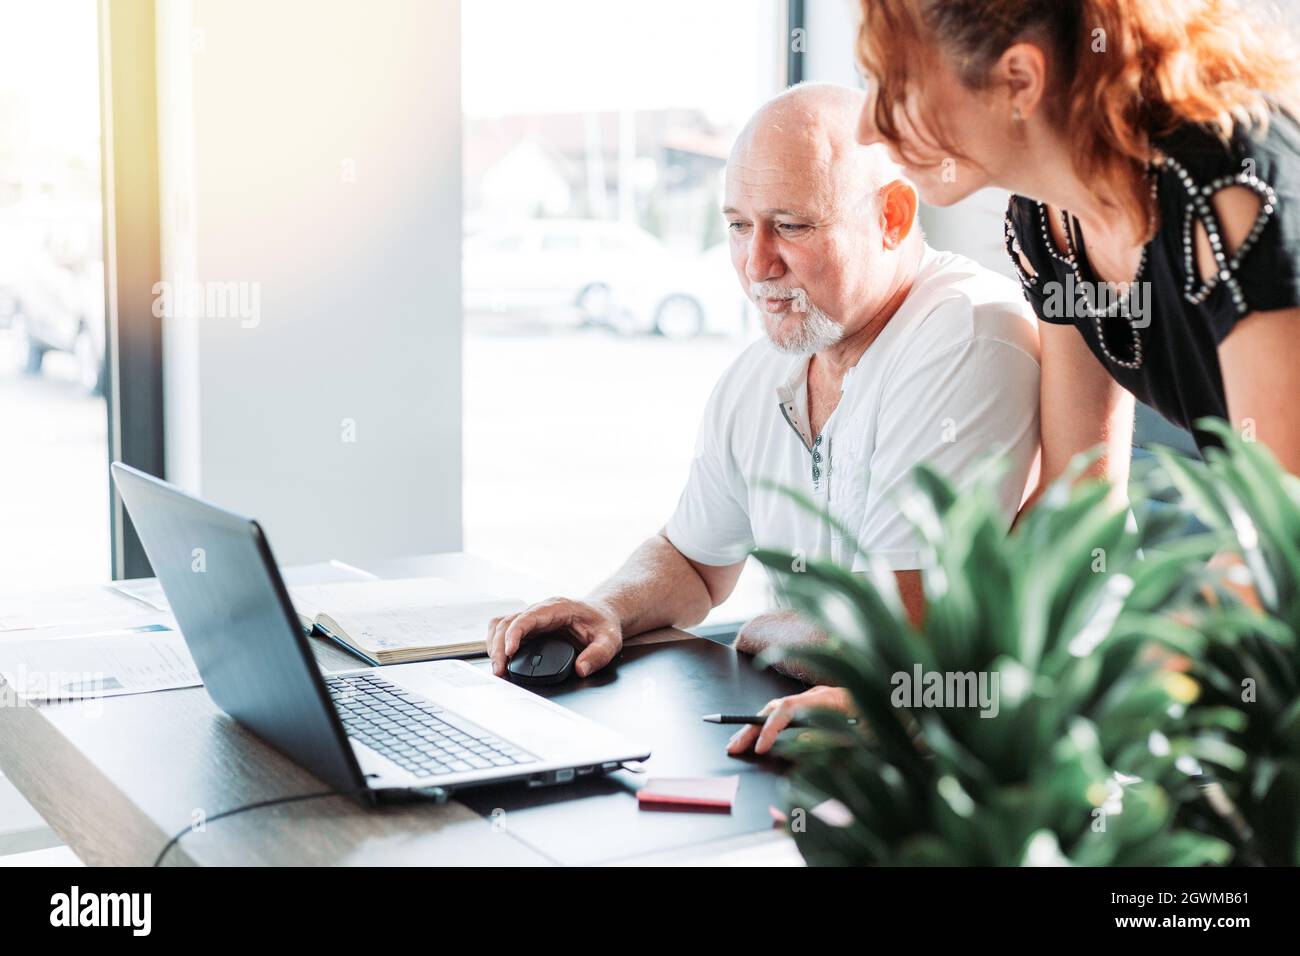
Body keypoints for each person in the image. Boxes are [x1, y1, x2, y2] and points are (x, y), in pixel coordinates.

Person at [485, 83, 1041, 755]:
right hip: (834, 746)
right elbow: (694, 561)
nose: (756, 264)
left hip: (973, 773)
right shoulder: (763, 373)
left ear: (892, 217)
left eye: (792, 225)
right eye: (739, 225)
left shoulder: (965, 333)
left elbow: (897, 644)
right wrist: (607, 607)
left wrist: (765, 631)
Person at [852, 0, 1300, 503]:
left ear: (1019, 80)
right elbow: (1081, 496)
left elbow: (1281, 530)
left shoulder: (1226, 192)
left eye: (893, 86)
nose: (865, 128)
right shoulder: (1046, 226)